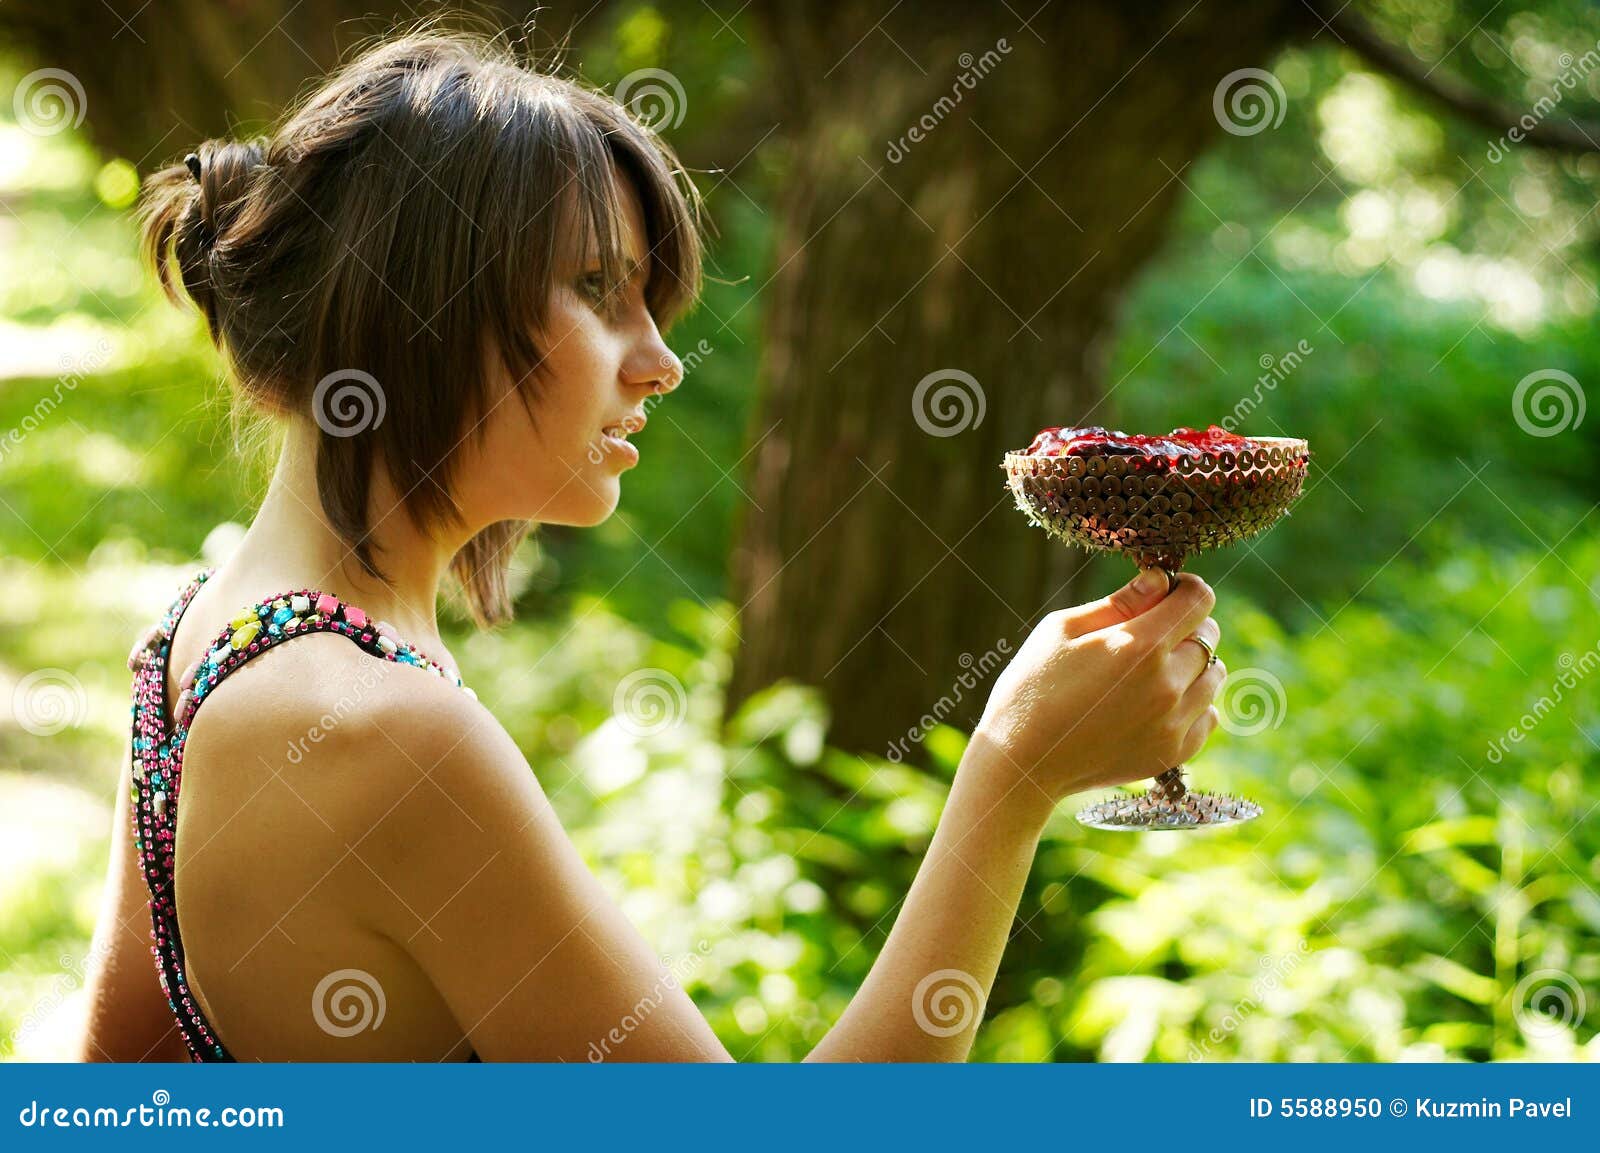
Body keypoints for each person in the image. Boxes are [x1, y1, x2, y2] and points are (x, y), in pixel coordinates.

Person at [79, 29, 1225, 1062]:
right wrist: (1012, 777)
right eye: (595, 289)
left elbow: (115, 1087)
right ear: (415, 302)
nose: (660, 360)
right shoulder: (392, 735)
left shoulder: (189, 641)